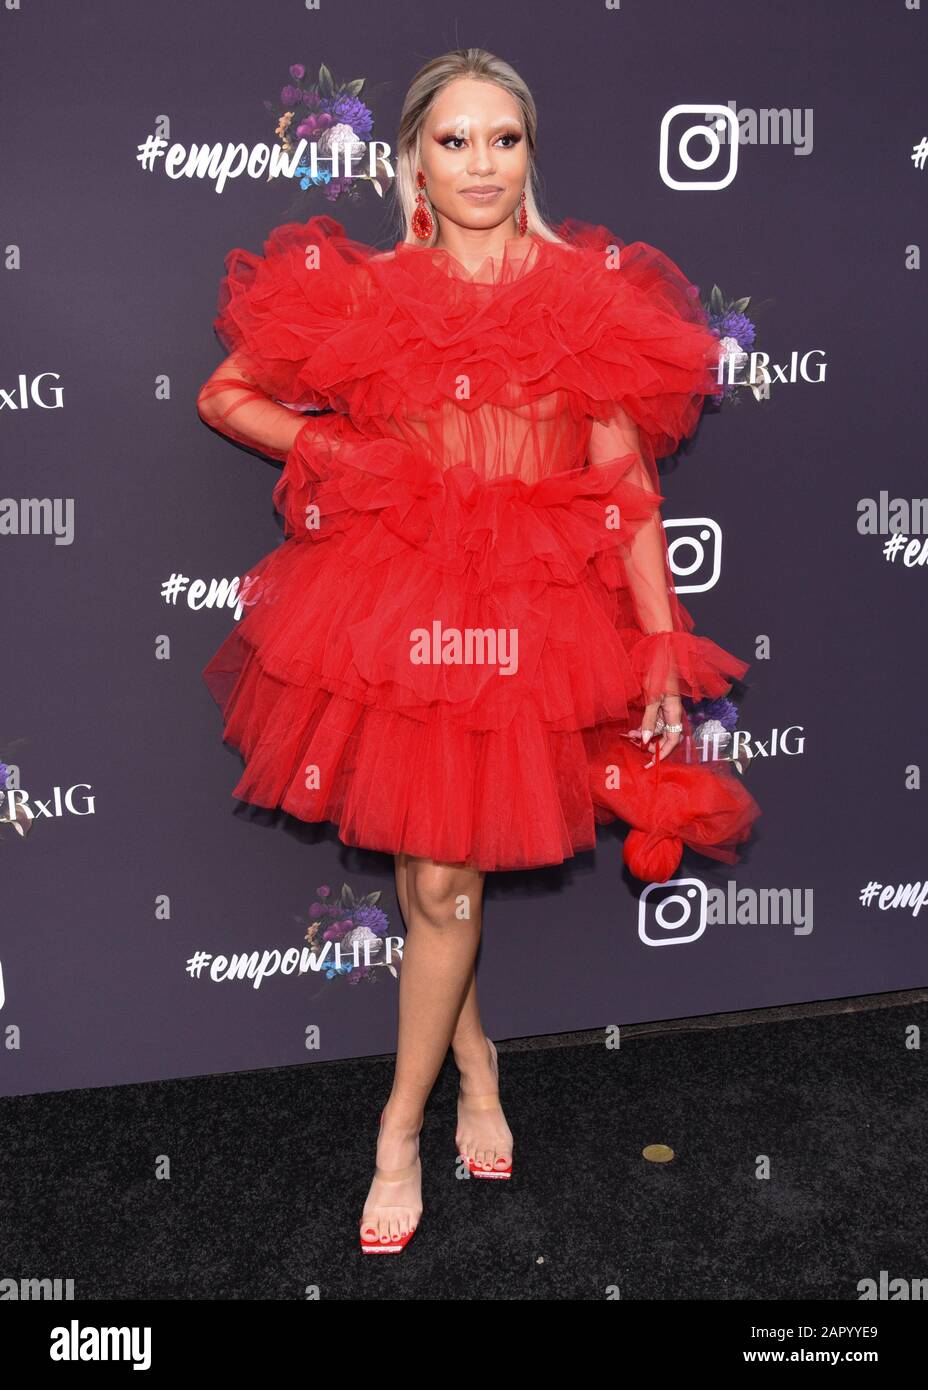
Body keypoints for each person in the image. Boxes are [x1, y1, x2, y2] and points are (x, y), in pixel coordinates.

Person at [196, 48, 761, 1254]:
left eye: (503, 139)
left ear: (529, 152)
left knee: (445, 881)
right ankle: (476, 1056)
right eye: (454, 141)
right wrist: (338, 454)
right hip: (388, 617)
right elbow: (226, 395)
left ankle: (399, 1127)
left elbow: (630, 492)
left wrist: (660, 646)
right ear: (411, 158)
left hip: (529, 625)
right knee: (424, 882)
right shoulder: (362, 291)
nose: (481, 164)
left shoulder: (586, 295)